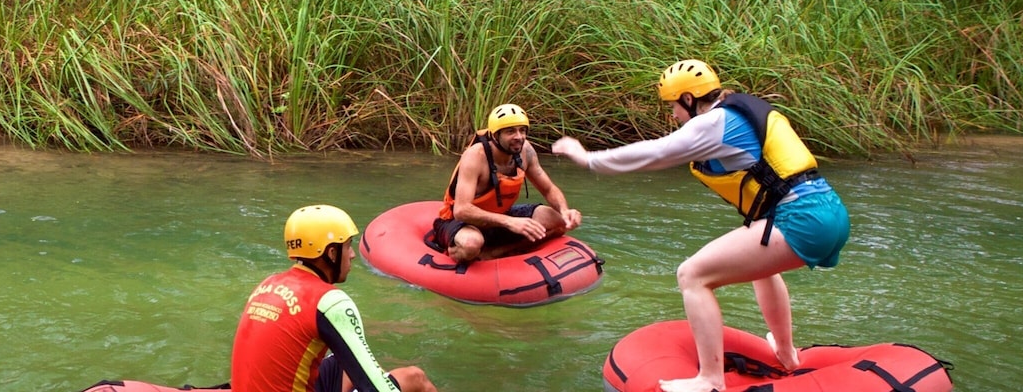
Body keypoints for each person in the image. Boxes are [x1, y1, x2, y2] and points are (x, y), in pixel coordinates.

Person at [551, 59, 851, 392]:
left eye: (674, 106)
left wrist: (586, 158)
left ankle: (710, 380)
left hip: (802, 219)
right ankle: (785, 353)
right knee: (763, 267)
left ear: (690, 100)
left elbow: (655, 153)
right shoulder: (737, 111)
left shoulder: (713, 123)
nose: (674, 115)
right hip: (831, 214)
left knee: (692, 274)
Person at [231, 205, 439, 392]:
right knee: (414, 378)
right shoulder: (330, 301)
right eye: (347, 246)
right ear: (331, 253)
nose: (352, 255)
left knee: (344, 362)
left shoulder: (268, 283)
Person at [429, 104, 582, 263]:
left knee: (558, 222)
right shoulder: (475, 156)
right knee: (471, 244)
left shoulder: (526, 151)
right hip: (461, 221)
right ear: (495, 135)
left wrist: (565, 210)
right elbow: (461, 210)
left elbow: (548, 189)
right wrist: (509, 222)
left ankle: (494, 252)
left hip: (499, 216)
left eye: (522, 130)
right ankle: (461, 252)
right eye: (510, 131)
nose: (519, 137)